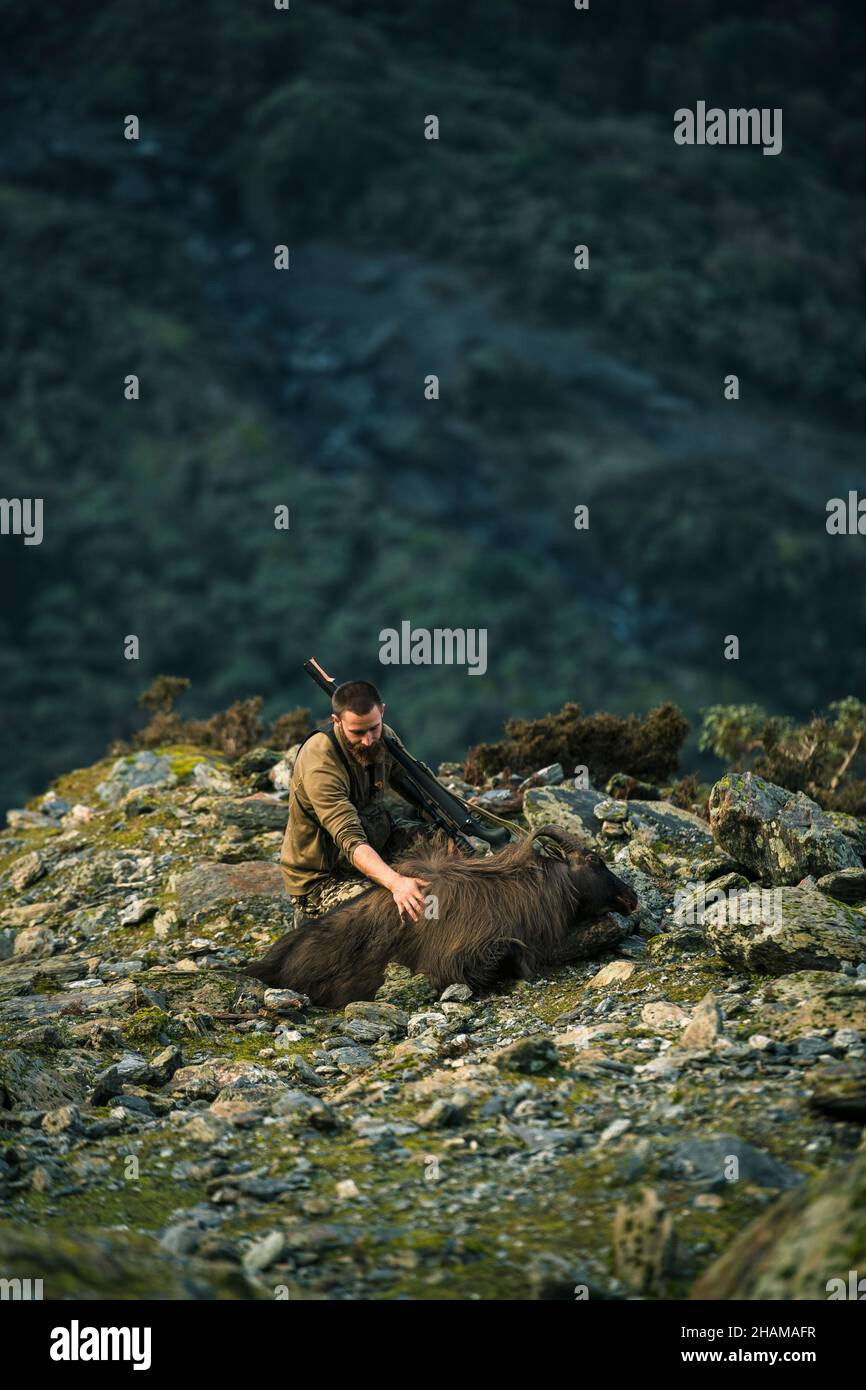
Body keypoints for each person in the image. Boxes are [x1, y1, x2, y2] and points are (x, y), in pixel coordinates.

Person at [279, 679, 438, 924]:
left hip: (378, 839)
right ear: (336, 721)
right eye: (357, 733)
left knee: (452, 848)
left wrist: (452, 817)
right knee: (385, 910)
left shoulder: (384, 737)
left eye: (374, 728)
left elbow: (416, 785)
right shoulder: (320, 762)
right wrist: (396, 883)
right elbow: (350, 839)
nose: (368, 740)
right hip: (324, 876)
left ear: (382, 711)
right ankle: (310, 921)